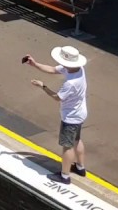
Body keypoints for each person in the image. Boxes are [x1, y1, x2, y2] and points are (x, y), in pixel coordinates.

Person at [25, 46, 90, 184]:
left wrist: (42, 86)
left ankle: (65, 176)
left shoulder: (70, 83)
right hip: (80, 113)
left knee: (67, 146)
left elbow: (57, 97)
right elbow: (53, 69)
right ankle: (80, 167)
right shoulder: (79, 70)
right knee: (77, 140)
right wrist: (35, 64)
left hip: (71, 117)